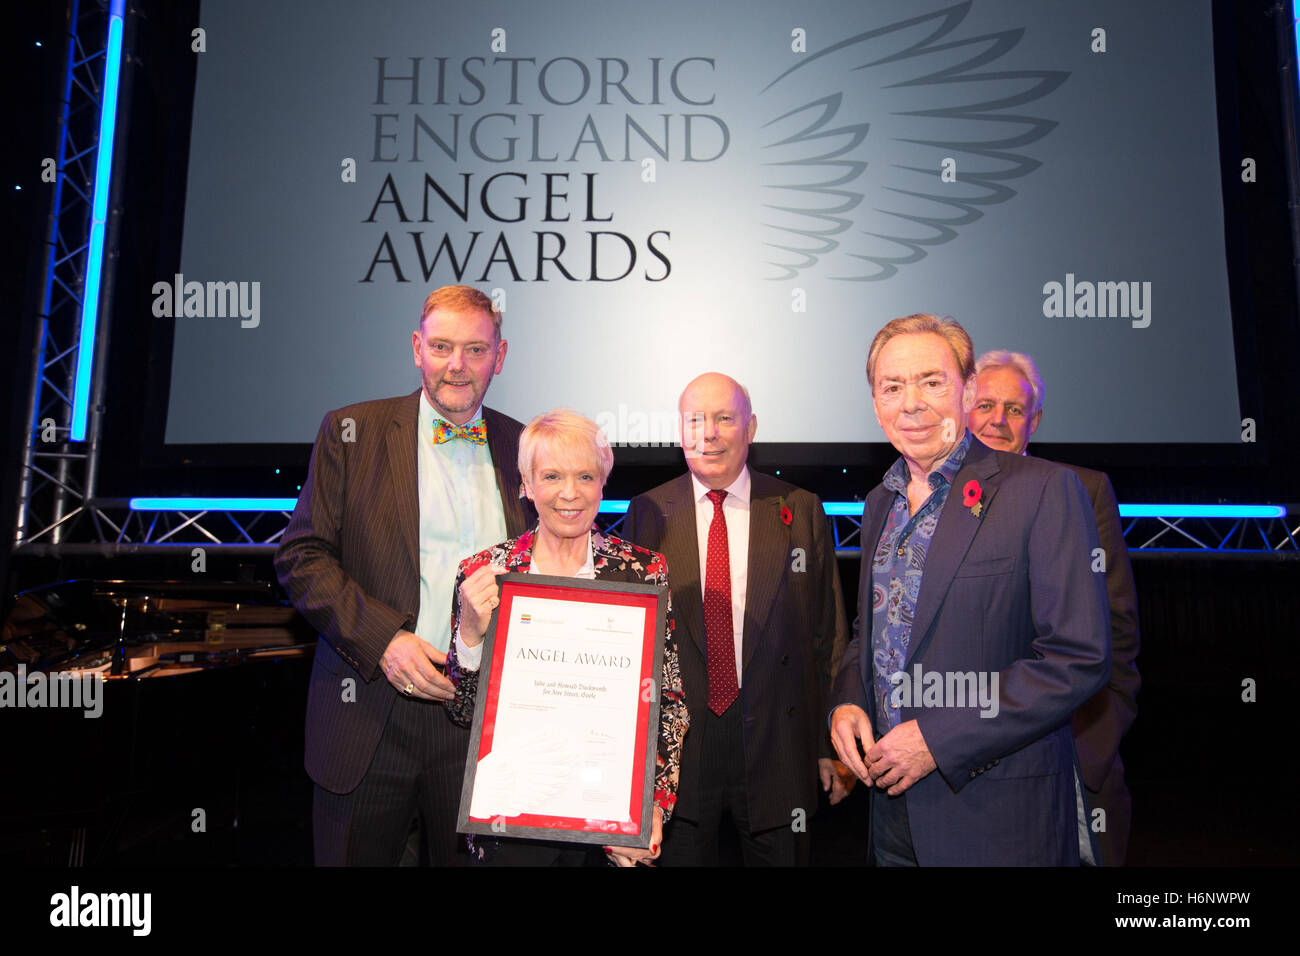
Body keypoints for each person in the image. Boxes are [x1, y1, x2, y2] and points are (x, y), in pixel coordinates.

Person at [829, 313, 1111, 865]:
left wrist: (939, 737)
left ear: (969, 390)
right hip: (891, 817)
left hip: (997, 817)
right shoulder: (877, 503)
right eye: (892, 387)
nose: (911, 403)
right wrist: (848, 700)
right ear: (875, 401)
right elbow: (874, 632)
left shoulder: (1043, 491)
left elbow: (1077, 659)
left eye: (931, 382)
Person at [275, 284, 533, 866]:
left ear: (501, 355)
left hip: (482, 728)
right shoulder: (351, 432)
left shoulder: (523, 445)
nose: (457, 365)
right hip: (367, 712)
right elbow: (302, 556)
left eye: (475, 349)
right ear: (417, 348)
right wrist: (384, 639)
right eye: (442, 346)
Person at [621, 372, 851, 866]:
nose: (710, 433)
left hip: (776, 746)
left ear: (751, 428)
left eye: (725, 418)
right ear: (680, 431)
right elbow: (632, 644)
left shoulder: (800, 508)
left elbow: (827, 636)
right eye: (695, 420)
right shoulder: (647, 512)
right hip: (679, 756)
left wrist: (827, 743)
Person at [445, 409, 689, 866]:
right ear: (527, 483)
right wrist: (470, 638)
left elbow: (670, 705)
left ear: (603, 484)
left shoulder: (643, 573)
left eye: (585, 476)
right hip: (512, 821)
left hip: (608, 822)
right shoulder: (486, 575)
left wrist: (651, 807)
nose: (570, 493)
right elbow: (460, 711)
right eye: (552, 476)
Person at [967, 349, 1140, 865]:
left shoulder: (1082, 491)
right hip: (963, 762)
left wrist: (1095, 744)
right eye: (985, 405)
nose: (998, 420)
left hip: (1068, 758)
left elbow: (1118, 631)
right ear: (962, 410)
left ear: (1033, 420)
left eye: (1014, 410)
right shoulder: (929, 496)